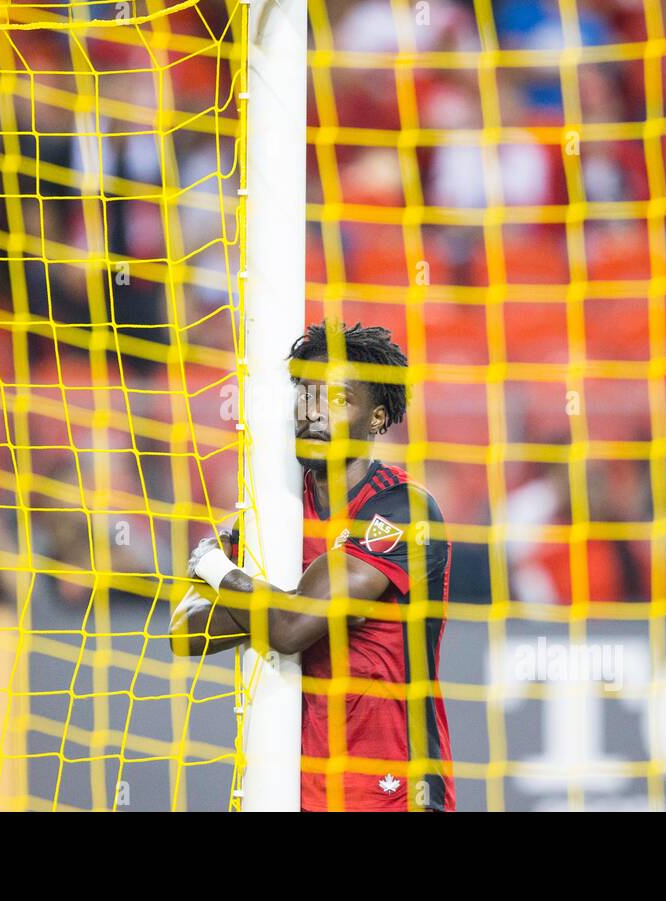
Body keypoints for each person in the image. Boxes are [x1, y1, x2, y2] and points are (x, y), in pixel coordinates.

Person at [171, 321, 455, 812]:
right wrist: (297, 603)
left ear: (378, 418)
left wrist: (221, 573)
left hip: (396, 791)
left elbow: (287, 630)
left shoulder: (401, 508)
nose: (314, 411)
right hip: (298, 790)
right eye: (306, 394)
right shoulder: (268, 518)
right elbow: (183, 632)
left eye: (339, 399)